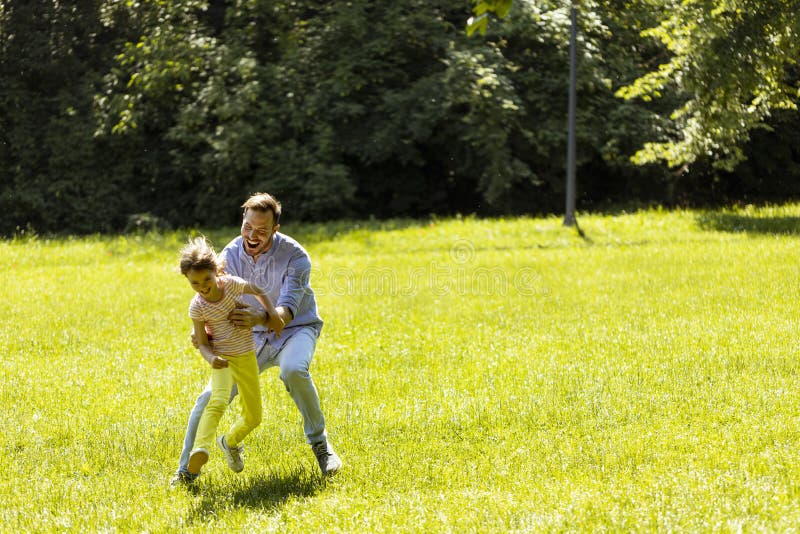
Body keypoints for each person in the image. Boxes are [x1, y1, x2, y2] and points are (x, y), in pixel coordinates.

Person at [171, 192, 342, 486]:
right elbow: (212, 297)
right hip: (246, 338)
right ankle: (186, 471)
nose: (252, 235)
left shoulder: (296, 257)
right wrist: (203, 333)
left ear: (275, 230)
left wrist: (260, 318)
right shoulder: (229, 255)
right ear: (242, 221)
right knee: (209, 397)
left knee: (294, 370)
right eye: (248, 227)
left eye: (261, 230)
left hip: (295, 329)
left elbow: (286, 310)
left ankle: (321, 446)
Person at [178, 236, 285, 480]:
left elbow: (258, 290)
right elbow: (202, 344)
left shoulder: (232, 285)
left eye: (207, 279)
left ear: (216, 272)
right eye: (195, 283)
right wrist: (210, 358)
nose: (203, 286)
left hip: (246, 356)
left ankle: (229, 441)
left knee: (254, 417)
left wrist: (272, 315)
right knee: (216, 401)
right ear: (188, 281)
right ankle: (200, 449)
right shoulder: (197, 307)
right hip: (222, 358)